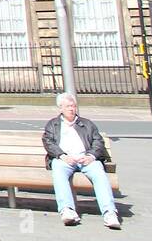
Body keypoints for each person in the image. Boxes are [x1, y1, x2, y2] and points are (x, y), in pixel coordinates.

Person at [42, 92, 120, 229]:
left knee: (99, 175)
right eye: (68, 106)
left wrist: (91, 156)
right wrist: (62, 155)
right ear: (60, 108)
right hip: (64, 160)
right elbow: (48, 142)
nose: (71, 109)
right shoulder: (53, 125)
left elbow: (98, 141)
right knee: (58, 172)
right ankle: (67, 210)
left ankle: (109, 212)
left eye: (73, 106)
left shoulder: (87, 124)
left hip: (86, 159)